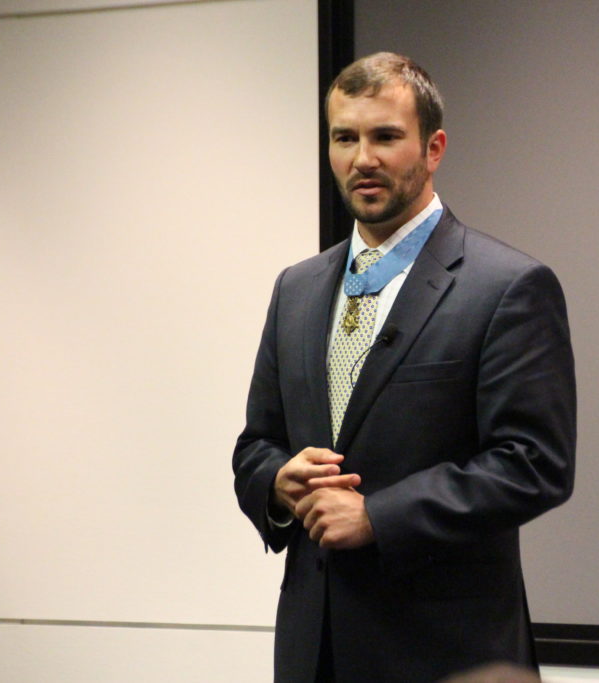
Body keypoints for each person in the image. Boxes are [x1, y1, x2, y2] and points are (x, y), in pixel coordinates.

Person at [232, 52, 576, 683]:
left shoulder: (507, 286)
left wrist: (378, 517)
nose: (363, 157)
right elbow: (256, 443)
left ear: (434, 147)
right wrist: (277, 483)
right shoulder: (298, 288)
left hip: (443, 654)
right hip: (314, 650)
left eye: (385, 136)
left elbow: (535, 464)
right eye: (345, 137)